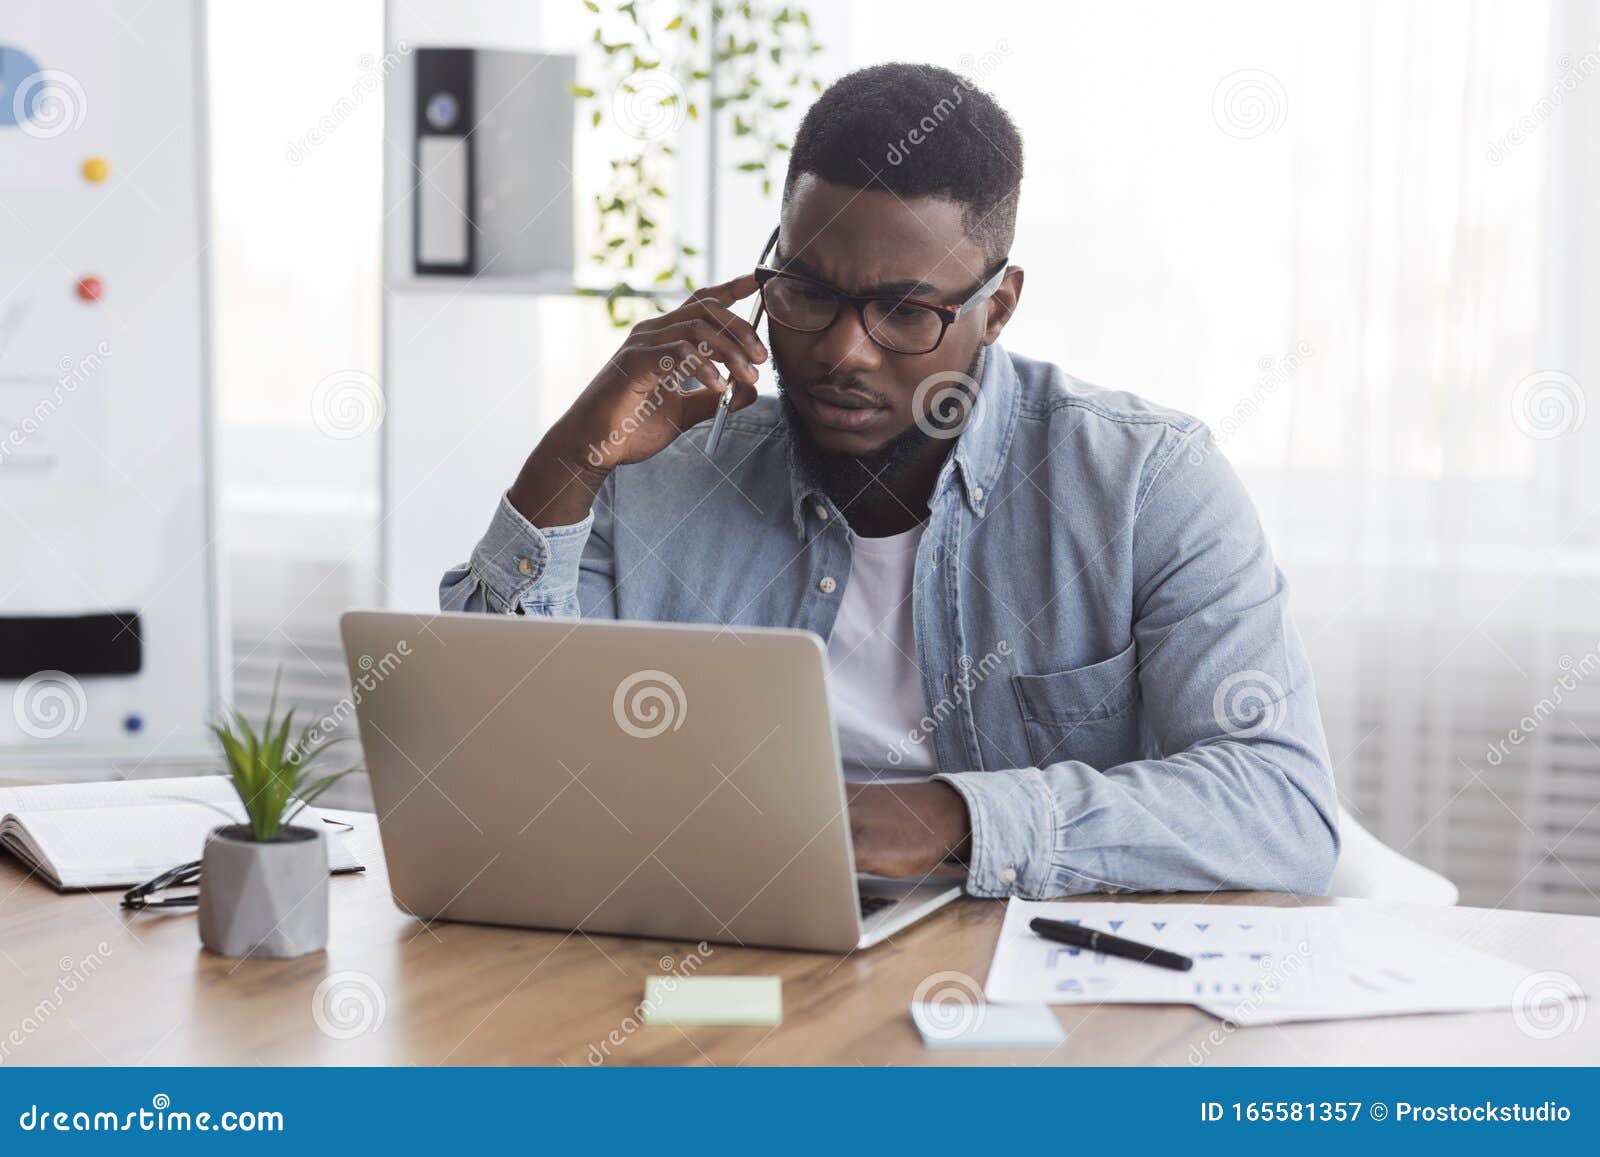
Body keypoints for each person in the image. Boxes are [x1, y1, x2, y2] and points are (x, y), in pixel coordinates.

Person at [442, 62, 1340, 899]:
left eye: (905, 310)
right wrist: (569, 461)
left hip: (1021, 996)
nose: (842, 351)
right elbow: (482, 764)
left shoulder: (1143, 484)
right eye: (804, 291)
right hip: (711, 955)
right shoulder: (662, 470)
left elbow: (1279, 803)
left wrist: (954, 817)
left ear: (998, 307)